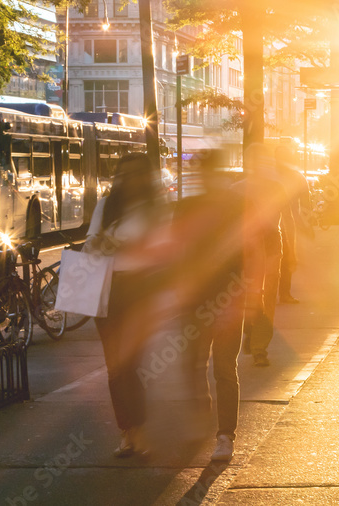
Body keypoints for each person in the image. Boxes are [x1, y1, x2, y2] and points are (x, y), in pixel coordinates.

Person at [86, 153, 167, 458]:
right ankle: (126, 430)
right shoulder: (107, 205)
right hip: (108, 289)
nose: (130, 179)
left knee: (130, 363)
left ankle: (139, 428)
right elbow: (90, 241)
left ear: (146, 177)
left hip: (140, 289)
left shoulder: (154, 209)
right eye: (125, 173)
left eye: (136, 174)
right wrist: (105, 244)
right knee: (115, 368)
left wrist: (125, 246)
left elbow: (160, 249)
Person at [173, 150, 248, 462]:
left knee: (205, 365)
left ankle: (221, 431)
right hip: (217, 298)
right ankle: (222, 434)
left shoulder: (190, 207)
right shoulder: (237, 206)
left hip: (211, 299)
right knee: (217, 367)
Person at [241, 143, 288, 367]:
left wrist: (291, 249)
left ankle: (259, 346)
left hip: (270, 243)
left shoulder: (276, 187)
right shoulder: (239, 189)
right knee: (253, 295)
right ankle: (251, 329)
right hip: (249, 246)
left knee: (267, 295)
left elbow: (286, 220)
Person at [273, 141, 313, 305]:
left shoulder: (269, 175)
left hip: (270, 224)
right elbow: (306, 205)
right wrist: (307, 223)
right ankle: (284, 293)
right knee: (286, 259)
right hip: (286, 225)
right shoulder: (297, 177)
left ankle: (267, 293)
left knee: (273, 259)